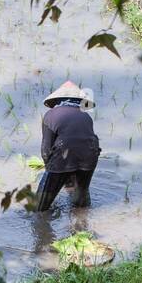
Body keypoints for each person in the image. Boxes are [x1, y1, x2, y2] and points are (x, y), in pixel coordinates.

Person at [35, 80, 100, 211]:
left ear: (58, 100)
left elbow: (46, 151)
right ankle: (82, 222)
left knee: (38, 208)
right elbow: (83, 141)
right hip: (90, 156)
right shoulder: (86, 116)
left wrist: (52, 170)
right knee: (80, 202)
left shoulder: (50, 115)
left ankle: (41, 223)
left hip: (64, 156)